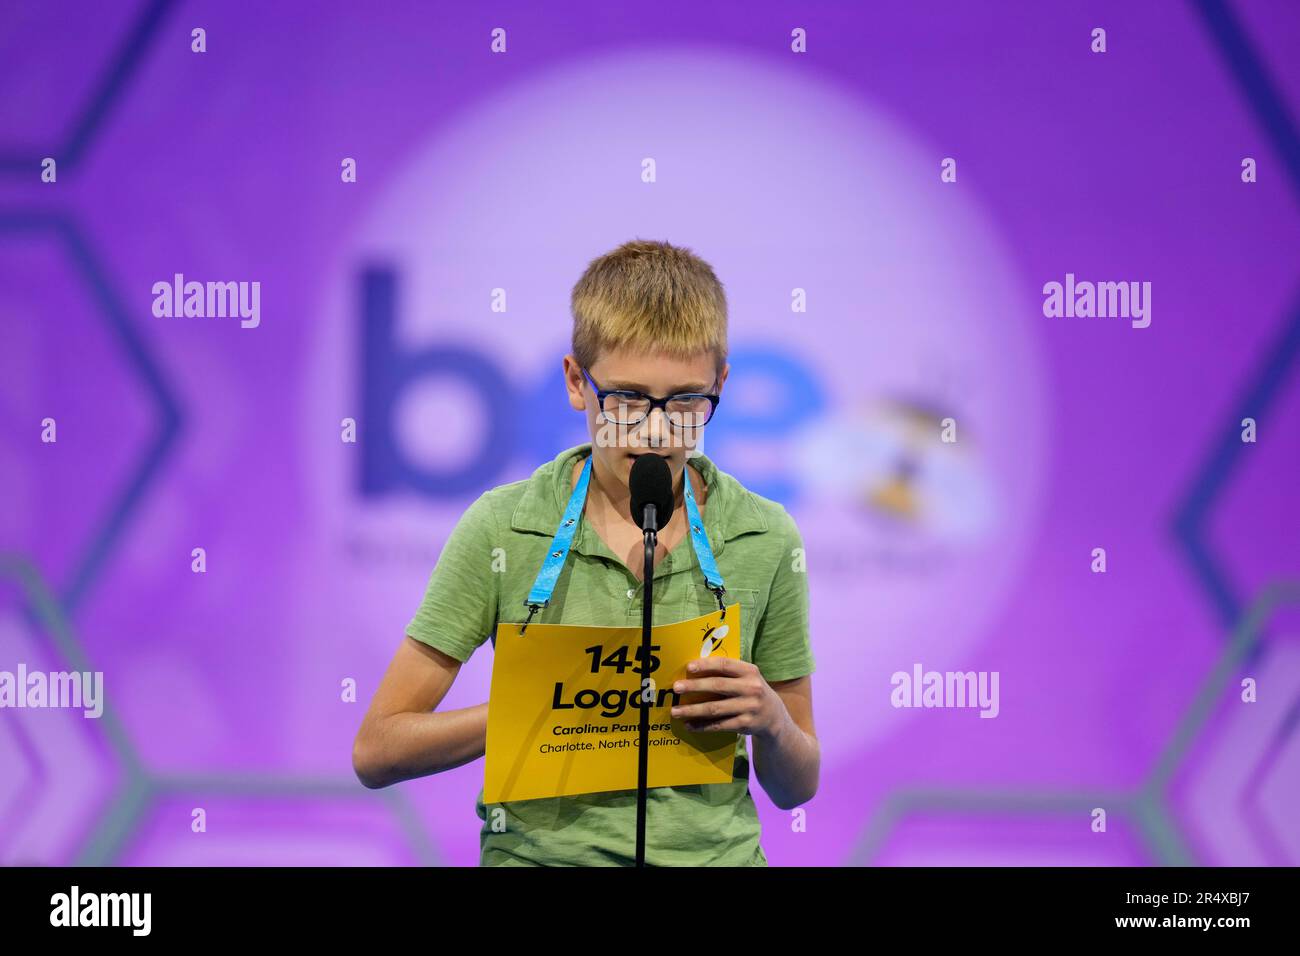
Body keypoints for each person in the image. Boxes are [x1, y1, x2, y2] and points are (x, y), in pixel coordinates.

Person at [352, 239, 818, 865]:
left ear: (721, 385)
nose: (656, 429)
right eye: (626, 399)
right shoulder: (503, 528)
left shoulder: (765, 535)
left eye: (685, 402)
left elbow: (797, 787)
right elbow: (377, 750)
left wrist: (772, 722)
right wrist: (534, 712)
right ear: (577, 382)